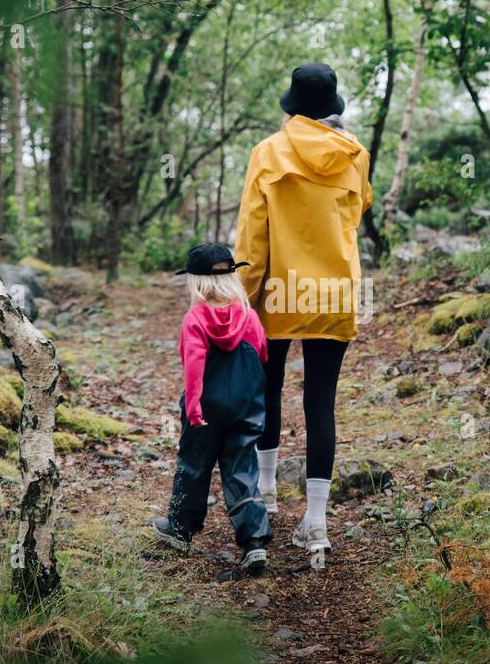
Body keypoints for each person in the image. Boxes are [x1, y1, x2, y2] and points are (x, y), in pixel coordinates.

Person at [233, 62, 373, 558]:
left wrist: (243, 298)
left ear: (292, 105)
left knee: (266, 391)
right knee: (321, 403)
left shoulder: (267, 153)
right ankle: (316, 524)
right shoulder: (355, 155)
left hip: (278, 291)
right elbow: (355, 215)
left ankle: (266, 496)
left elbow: (252, 235)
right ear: (331, 106)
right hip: (333, 293)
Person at [152, 243, 272, 576]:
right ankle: (254, 543)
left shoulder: (196, 318)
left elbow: (193, 364)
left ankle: (180, 529)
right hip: (245, 407)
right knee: (241, 470)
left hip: (204, 408)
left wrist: (193, 407)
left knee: (193, 466)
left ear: (197, 283)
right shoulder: (249, 316)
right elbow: (262, 355)